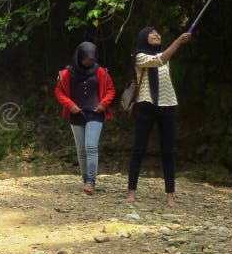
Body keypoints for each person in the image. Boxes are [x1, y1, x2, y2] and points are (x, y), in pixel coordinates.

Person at [126, 27, 191, 207]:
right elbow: (158, 61)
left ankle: (170, 195)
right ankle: (131, 191)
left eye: (157, 33)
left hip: (168, 104)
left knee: (168, 151)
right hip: (146, 105)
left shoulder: (164, 56)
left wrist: (175, 45)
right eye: (152, 33)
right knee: (139, 149)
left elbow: (163, 59)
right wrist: (179, 41)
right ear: (143, 37)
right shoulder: (138, 56)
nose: (156, 35)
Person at [54, 41, 116, 194]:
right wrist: (70, 105)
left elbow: (111, 90)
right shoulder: (67, 73)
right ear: (79, 57)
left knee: (91, 147)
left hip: (95, 113)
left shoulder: (101, 72)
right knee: (81, 150)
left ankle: (90, 182)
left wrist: (103, 104)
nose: (90, 61)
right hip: (76, 114)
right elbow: (59, 92)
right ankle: (85, 179)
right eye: (87, 59)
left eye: (92, 59)